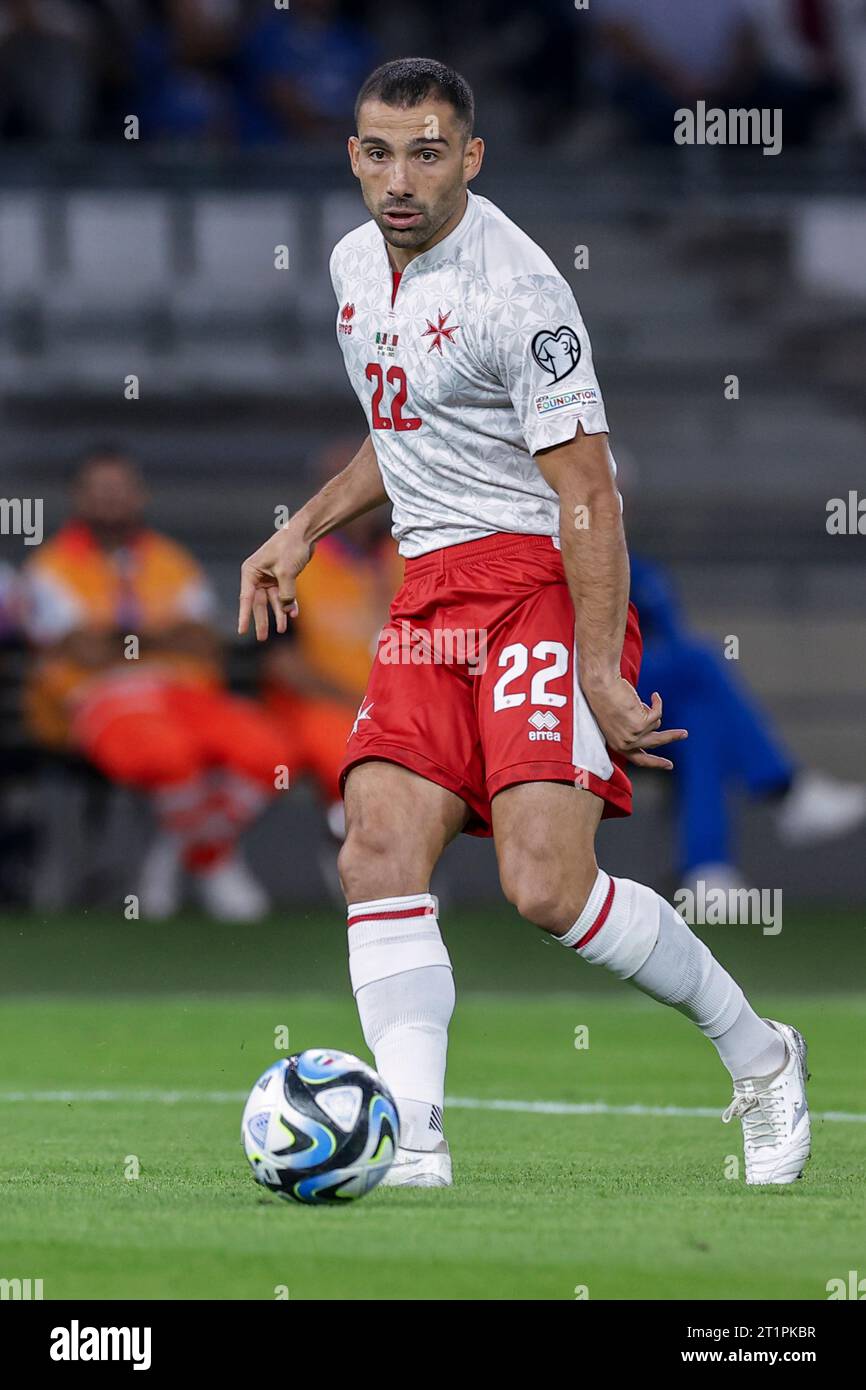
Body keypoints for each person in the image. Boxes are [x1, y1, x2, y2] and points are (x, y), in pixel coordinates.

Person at [238, 58, 811, 1188]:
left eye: (426, 151)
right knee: (377, 846)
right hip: (428, 591)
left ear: (471, 156)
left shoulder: (521, 292)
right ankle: (413, 1136)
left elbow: (589, 491)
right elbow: (404, 434)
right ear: (352, 153)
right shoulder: (357, 265)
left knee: (545, 888)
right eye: (376, 150)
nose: (398, 178)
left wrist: (598, 666)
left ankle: (759, 1055)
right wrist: (303, 526)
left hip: (535, 583)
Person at [22, 445, 282, 921]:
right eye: (100, 491)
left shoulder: (170, 559)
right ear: (78, 497)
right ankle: (213, 864)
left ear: (140, 495)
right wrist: (161, 635)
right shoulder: (51, 565)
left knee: (269, 751)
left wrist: (118, 635)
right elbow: (78, 649)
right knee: (170, 756)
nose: (111, 500)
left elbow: (203, 640)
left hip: (183, 693)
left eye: (121, 490)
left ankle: (187, 852)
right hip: (100, 699)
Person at [631, 552, 866, 898]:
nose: (620, 497)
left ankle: (706, 869)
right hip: (567, 701)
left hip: (634, 707)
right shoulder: (565, 546)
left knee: (700, 721)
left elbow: (672, 637)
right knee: (700, 663)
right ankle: (784, 791)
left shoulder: (637, 567)